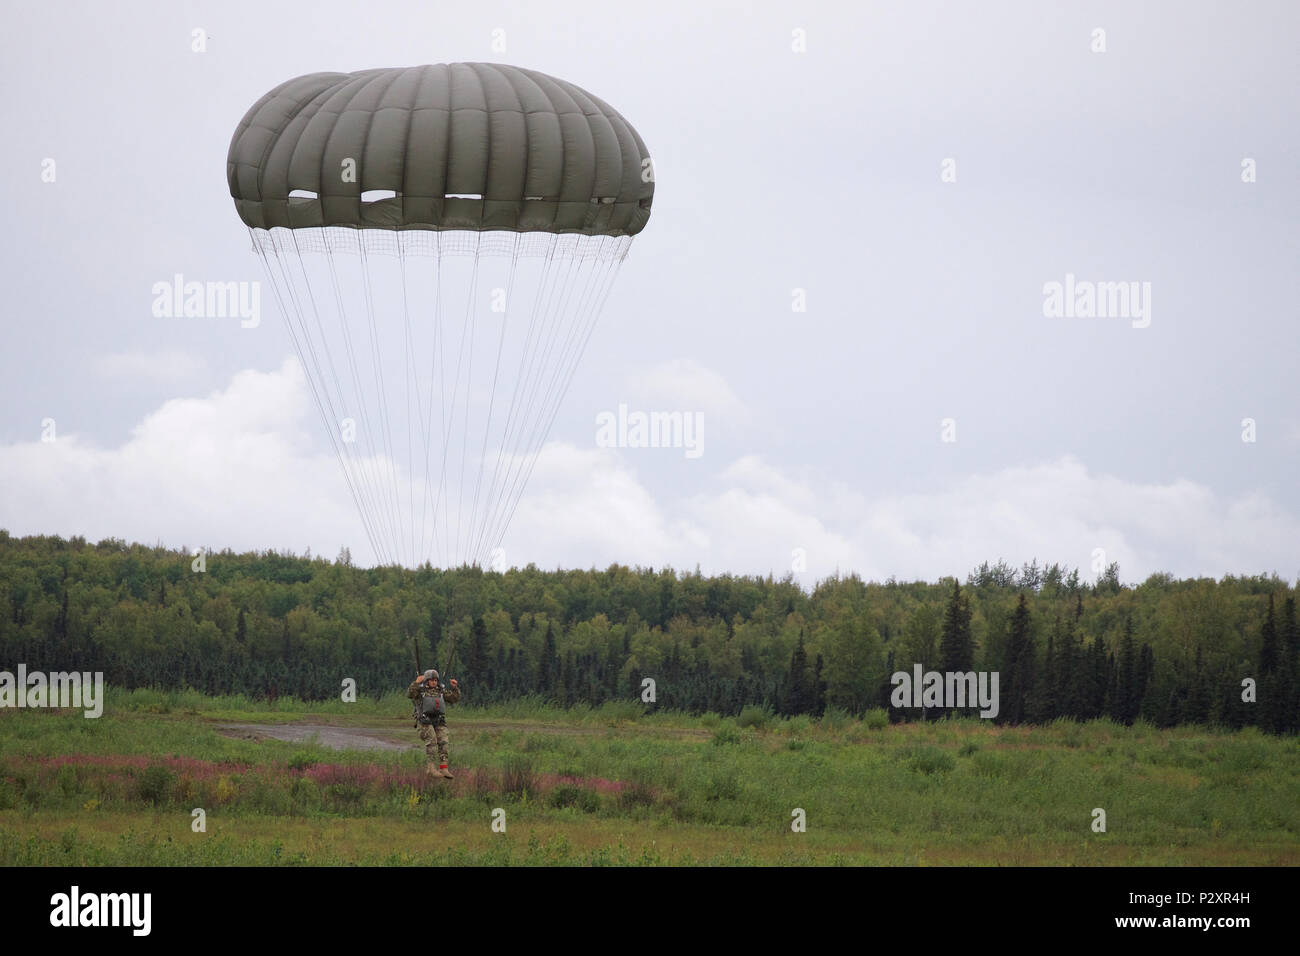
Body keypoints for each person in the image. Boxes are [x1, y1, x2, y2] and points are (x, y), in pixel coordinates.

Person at [408, 669, 461, 779]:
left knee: (444, 742)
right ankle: (431, 768)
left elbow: (454, 698)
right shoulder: (420, 691)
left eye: (436, 680)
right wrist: (416, 683)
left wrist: (455, 688)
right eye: (431, 680)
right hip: (425, 722)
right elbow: (410, 694)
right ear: (427, 681)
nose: (434, 682)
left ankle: (444, 768)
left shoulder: (440, 691)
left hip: (439, 721)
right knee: (432, 741)